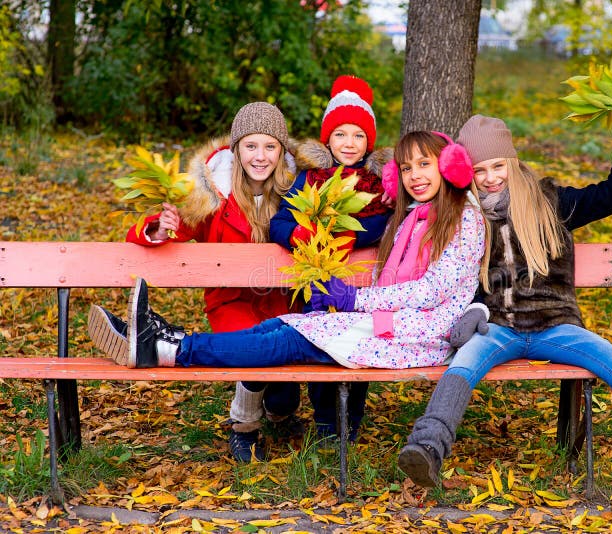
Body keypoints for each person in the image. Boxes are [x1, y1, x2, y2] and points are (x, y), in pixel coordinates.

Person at [397, 102, 612, 496]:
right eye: (479, 170)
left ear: (512, 160)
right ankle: (426, 450)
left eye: (497, 166)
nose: (490, 178)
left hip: (555, 326)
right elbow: (458, 275)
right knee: (465, 361)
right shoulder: (467, 216)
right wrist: (475, 307)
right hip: (497, 328)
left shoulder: (549, 202)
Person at [88, 131, 487, 405]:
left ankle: (167, 348)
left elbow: (430, 291)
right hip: (392, 326)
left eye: (424, 165)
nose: (414, 176)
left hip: (420, 334)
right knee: (278, 330)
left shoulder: (464, 219)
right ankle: (161, 339)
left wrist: (353, 297)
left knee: (284, 341)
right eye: (406, 168)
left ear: (450, 167)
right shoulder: (416, 216)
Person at [88, 101, 306, 463]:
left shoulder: (295, 193)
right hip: (232, 301)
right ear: (236, 150)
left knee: (284, 393)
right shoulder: (212, 196)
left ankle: (279, 409)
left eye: (270, 146)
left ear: (282, 151)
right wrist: (160, 227)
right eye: (251, 146)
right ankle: (244, 427)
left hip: (283, 302)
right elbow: (173, 227)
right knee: (251, 354)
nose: (260, 156)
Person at [269, 75, 393, 443]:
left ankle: (351, 424)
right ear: (328, 139)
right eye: (341, 134)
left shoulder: (379, 184)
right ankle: (325, 424)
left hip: (363, 289)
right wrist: (303, 233)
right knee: (322, 347)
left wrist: (349, 232)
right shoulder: (311, 178)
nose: (349, 143)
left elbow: (388, 225)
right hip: (319, 282)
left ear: (369, 141)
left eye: (358, 135)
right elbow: (279, 224)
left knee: (360, 348)